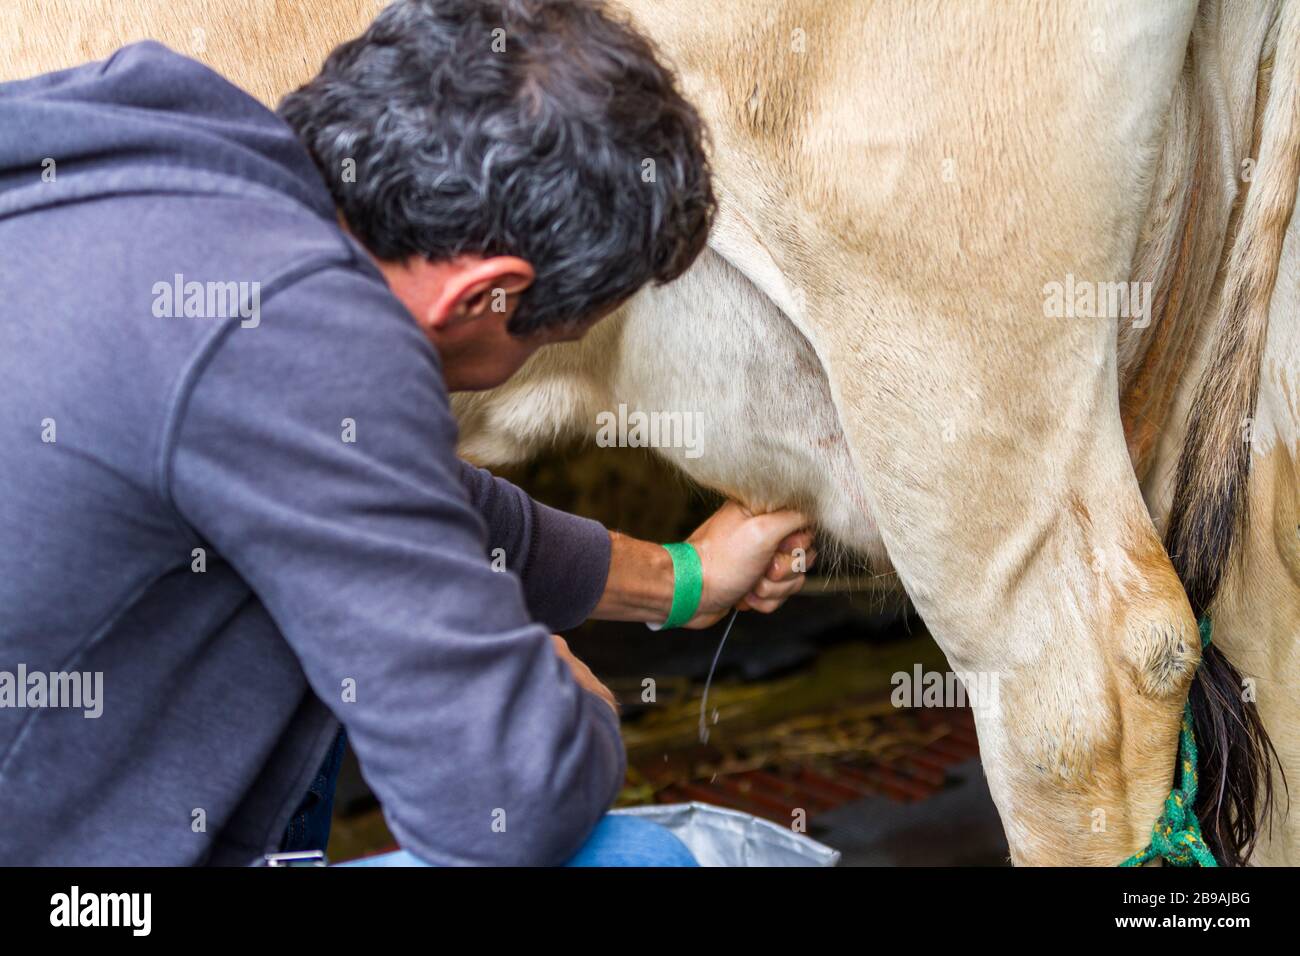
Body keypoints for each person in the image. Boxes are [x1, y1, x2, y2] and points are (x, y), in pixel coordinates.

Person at [0, 0, 813, 866]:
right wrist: (564, 710)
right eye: (548, 339)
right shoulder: (300, 335)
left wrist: (680, 581)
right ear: (480, 297)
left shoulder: (160, 140)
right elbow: (510, 805)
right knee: (678, 863)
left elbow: (383, 490)